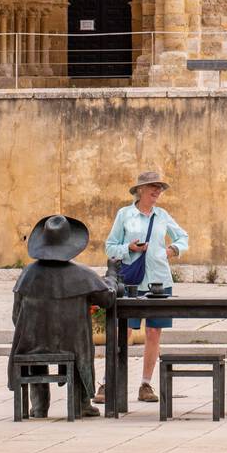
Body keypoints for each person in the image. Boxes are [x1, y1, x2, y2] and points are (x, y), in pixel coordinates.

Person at [8, 213, 118, 418]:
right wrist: (112, 274)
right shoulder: (82, 274)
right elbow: (107, 299)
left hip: (32, 344)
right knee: (80, 344)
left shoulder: (27, 274)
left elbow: (17, 316)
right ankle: (83, 402)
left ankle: (39, 407)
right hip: (73, 345)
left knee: (36, 346)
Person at [94, 170, 189, 404]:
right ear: (140, 190)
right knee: (122, 332)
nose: (157, 191)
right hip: (131, 282)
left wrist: (172, 250)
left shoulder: (162, 215)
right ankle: (107, 382)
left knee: (154, 332)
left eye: (160, 188)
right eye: (152, 187)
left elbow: (183, 237)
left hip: (159, 282)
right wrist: (129, 248)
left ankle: (146, 384)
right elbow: (110, 247)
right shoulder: (125, 214)